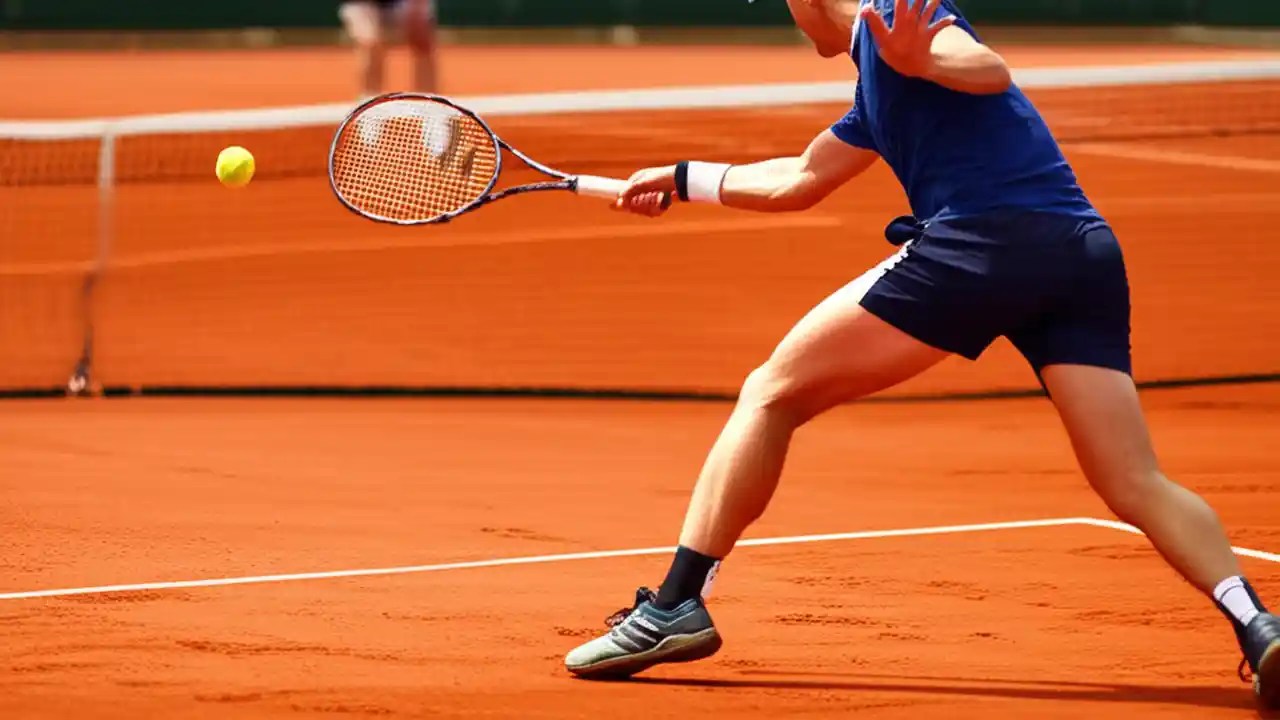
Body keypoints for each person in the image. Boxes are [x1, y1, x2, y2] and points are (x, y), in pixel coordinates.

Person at [562, 0, 1279, 707]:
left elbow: (986, 67)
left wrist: (924, 55)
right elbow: (799, 179)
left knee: (772, 391)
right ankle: (1259, 627)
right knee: (1133, 479)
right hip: (1078, 252)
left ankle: (676, 603)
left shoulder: (892, 18)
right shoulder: (874, 83)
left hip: (982, 243)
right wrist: (682, 178)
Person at [338, 0, 438, 98]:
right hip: (361, 3)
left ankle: (428, 99)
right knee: (370, 43)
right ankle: (369, 99)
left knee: (422, 41)